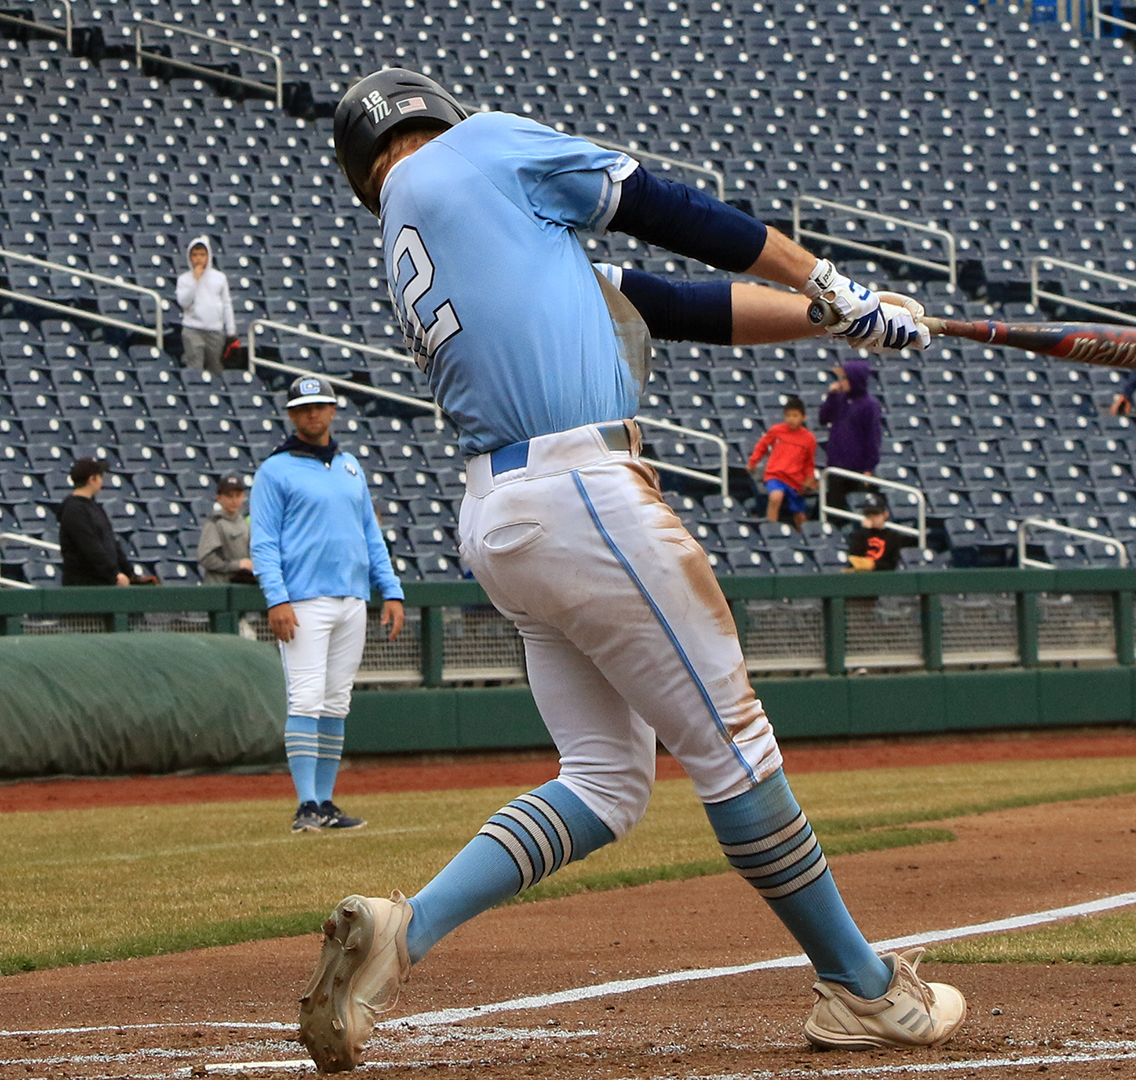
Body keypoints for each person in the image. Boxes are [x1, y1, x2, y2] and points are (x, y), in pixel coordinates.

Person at [298, 69, 958, 1074]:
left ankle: (405, 929)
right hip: (580, 490)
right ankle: (864, 991)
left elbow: (666, 304)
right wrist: (825, 276)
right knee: (735, 747)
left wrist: (842, 319)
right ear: (439, 117)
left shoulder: (423, 230)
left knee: (606, 781)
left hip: (502, 516)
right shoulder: (477, 150)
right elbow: (658, 203)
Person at [251, 376, 407, 836]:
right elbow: (263, 542)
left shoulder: (350, 466)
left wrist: (391, 589)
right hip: (303, 600)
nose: (312, 414)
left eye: (319, 406)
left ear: (333, 410)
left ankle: (325, 803)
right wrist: (276, 599)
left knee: (336, 702)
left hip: (352, 598)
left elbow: (370, 534)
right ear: (292, 415)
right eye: (303, 408)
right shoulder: (274, 471)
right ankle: (306, 806)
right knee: (306, 698)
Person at [56, 458, 134, 587]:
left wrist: (128, 573)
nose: (102, 481)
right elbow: (90, 546)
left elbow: (111, 542)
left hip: (103, 583)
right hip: (85, 587)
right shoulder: (74, 509)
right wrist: (114, 574)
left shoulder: (94, 507)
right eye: (100, 477)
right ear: (92, 479)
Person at [819, 360, 882, 514]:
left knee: (854, 510)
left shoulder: (870, 405)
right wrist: (831, 397)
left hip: (856, 469)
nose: (841, 382)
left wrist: (869, 468)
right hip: (835, 466)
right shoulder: (840, 399)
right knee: (834, 509)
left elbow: (873, 437)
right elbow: (823, 418)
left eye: (845, 378)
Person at [749, 397, 820, 526]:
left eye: (795, 415)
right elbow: (762, 446)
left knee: (799, 514)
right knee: (775, 497)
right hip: (775, 475)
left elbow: (809, 463)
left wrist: (810, 478)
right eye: (788, 415)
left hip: (795, 480)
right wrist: (753, 462)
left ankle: (804, 537)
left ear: (803, 417)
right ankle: (772, 528)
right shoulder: (776, 431)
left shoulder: (809, 439)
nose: (791, 419)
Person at [176, 236, 236, 373]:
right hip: (192, 329)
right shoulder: (184, 279)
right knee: (194, 366)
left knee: (215, 368)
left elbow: (227, 304)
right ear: (189, 257)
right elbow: (183, 302)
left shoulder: (219, 278)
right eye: (195, 255)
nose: (199, 258)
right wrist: (194, 280)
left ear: (208, 256)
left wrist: (231, 331)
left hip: (215, 331)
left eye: (202, 255)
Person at [197, 477, 256, 585]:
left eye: (237, 496)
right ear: (219, 498)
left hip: (241, 585)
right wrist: (237, 565)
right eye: (229, 496)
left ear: (243, 497)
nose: (234, 500)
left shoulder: (244, 523)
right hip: (219, 587)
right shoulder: (214, 523)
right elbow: (206, 558)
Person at [845, 498, 901, 571]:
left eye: (876, 514)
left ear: (885, 514)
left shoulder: (892, 536)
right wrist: (865, 531)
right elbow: (855, 555)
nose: (872, 518)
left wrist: (873, 565)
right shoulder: (859, 535)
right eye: (869, 515)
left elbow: (891, 563)